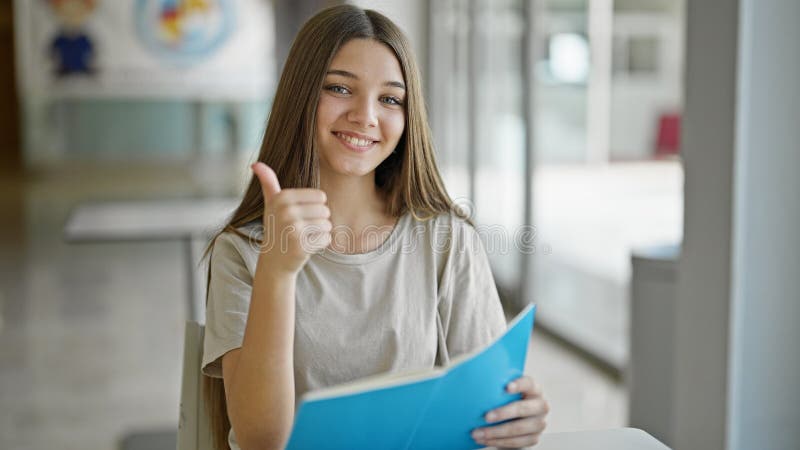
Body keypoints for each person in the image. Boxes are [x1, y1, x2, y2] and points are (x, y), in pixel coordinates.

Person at [201, 5, 549, 450]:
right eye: (340, 88)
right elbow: (262, 441)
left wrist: (514, 418)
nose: (366, 116)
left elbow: (483, 411)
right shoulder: (244, 252)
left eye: (390, 99)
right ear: (301, 96)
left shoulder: (448, 240)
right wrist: (278, 272)